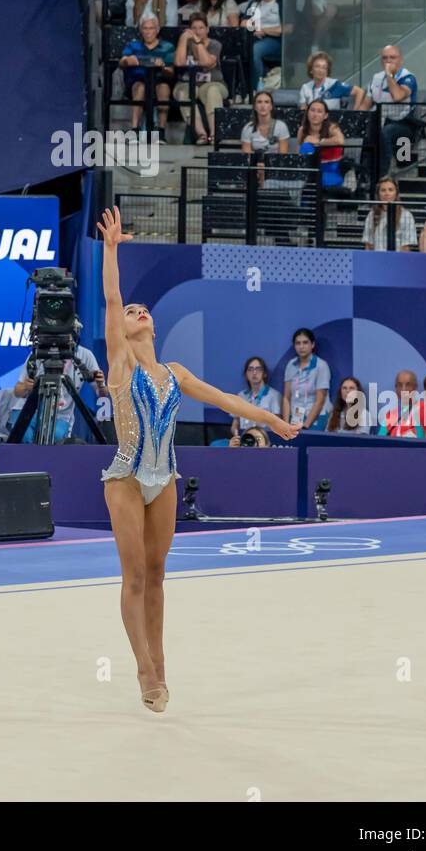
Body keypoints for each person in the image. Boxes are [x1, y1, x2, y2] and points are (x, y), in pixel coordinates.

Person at [96, 205, 296, 712]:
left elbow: (227, 401)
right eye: (131, 311)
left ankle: (160, 661)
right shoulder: (119, 361)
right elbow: (113, 295)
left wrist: (269, 421)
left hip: (163, 477)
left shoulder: (175, 372)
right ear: (121, 328)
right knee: (135, 575)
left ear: (153, 326)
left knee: (159, 575)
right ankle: (142, 668)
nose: (137, 310)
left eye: (145, 310)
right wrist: (112, 248)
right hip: (124, 474)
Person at [10, 349, 106, 443]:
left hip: (61, 417)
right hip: (28, 412)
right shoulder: (40, 350)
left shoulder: (86, 355)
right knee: (24, 440)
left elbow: (102, 393)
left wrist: (101, 385)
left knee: (55, 444)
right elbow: (17, 391)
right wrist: (26, 387)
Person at [358, 43, 419, 177]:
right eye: (385, 58)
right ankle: (363, 177)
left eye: (393, 57)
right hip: (379, 122)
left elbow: (397, 96)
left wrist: (389, 76)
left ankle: (382, 176)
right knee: (367, 132)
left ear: (401, 60)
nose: (388, 61)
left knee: (385, 132)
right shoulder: (376, 78)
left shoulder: (408, 77)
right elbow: (366, 105)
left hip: (403, 125)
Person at [174, 13, 228, 144]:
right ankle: (201, 134)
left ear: (207, 29)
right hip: (187, 83)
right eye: (194, 28)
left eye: (201, 28)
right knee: (184, 93)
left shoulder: (215, 45)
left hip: (213, 82)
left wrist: (198, 42)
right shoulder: (185, 44)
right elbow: (179, 63)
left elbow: (207, 62)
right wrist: (183, 39)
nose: (197, 31)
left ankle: (215, 135)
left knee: (212, 91)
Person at [120, 14, 175, 133]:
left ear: (157, 29)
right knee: (140, 88)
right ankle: (134, 130)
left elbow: (170, 72)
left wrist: (163, 66)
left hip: (159, 80)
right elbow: (122, 61)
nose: (148, 32)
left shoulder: (167, 47)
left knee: (164, 89)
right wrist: (127, 60)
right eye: (145, 28)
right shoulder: (133, 46)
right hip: (137, 80)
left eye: (151, 28)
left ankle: (161, 131)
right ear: (141, 30)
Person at [282, 327, 331, 430]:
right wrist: (285, 425)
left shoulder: (321, 366)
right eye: (298, 343)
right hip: (296, 416)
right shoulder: (291, 365)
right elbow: (286, 397)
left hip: (316, 417)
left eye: (305, 343)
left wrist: (306, 426)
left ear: (312, 345)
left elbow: (320, 401)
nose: (301, 347)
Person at [228, 356, 282, 444]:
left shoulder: (274, 395)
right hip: (245, 440)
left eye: (258, 369)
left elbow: (277, 423)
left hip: (264, 441)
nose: (254, 372)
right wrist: (237, 436)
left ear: (264, 373)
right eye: (250, 369)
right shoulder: (241, 396)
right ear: (246, 374)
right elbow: (235, 423)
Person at [243, 0, 282, 93]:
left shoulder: (280, 4)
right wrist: (256, 29)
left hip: (276, 40)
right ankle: (242, 89)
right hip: (254, 37)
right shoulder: (254, 3)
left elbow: (286, 29)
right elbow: (244, 23)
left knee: (256, 50)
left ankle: (256, 90)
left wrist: (264, 31)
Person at [297, 98, 346, 189]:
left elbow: (340, 141)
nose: (315, 114)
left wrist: (319, 142)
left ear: (325, 115)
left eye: (319, 111)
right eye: (312, 110)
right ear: (307, 113)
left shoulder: (332, 128)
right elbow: (300, 152)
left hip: (331, 171)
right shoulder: (302, 130)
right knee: (306, 146)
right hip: (310, 172)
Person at [362, 176, 418, 251]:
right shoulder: (371, 215)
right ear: (378, 194)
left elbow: (406, 248)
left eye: (390, 190)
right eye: (383, 190)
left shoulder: (406, 216)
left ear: (396, 193)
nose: (387, 193)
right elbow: (368, 246)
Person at [299, 51, 364, 111]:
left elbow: (360, 91)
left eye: (324, 68)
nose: (320, 70)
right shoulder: (305, 88)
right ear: (311, 70)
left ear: (327, 71)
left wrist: (354, 113)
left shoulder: (335, 85)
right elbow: (303, 111)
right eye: (317, 66)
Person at [240, 89, 289, 155]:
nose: (263, 105)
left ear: (271, 106)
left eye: (266, 102)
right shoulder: (248, 128)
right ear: (255, 107)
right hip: (255, 164)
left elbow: (283, 157)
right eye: (259, 102)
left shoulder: (281, 127)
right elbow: (247, 158)